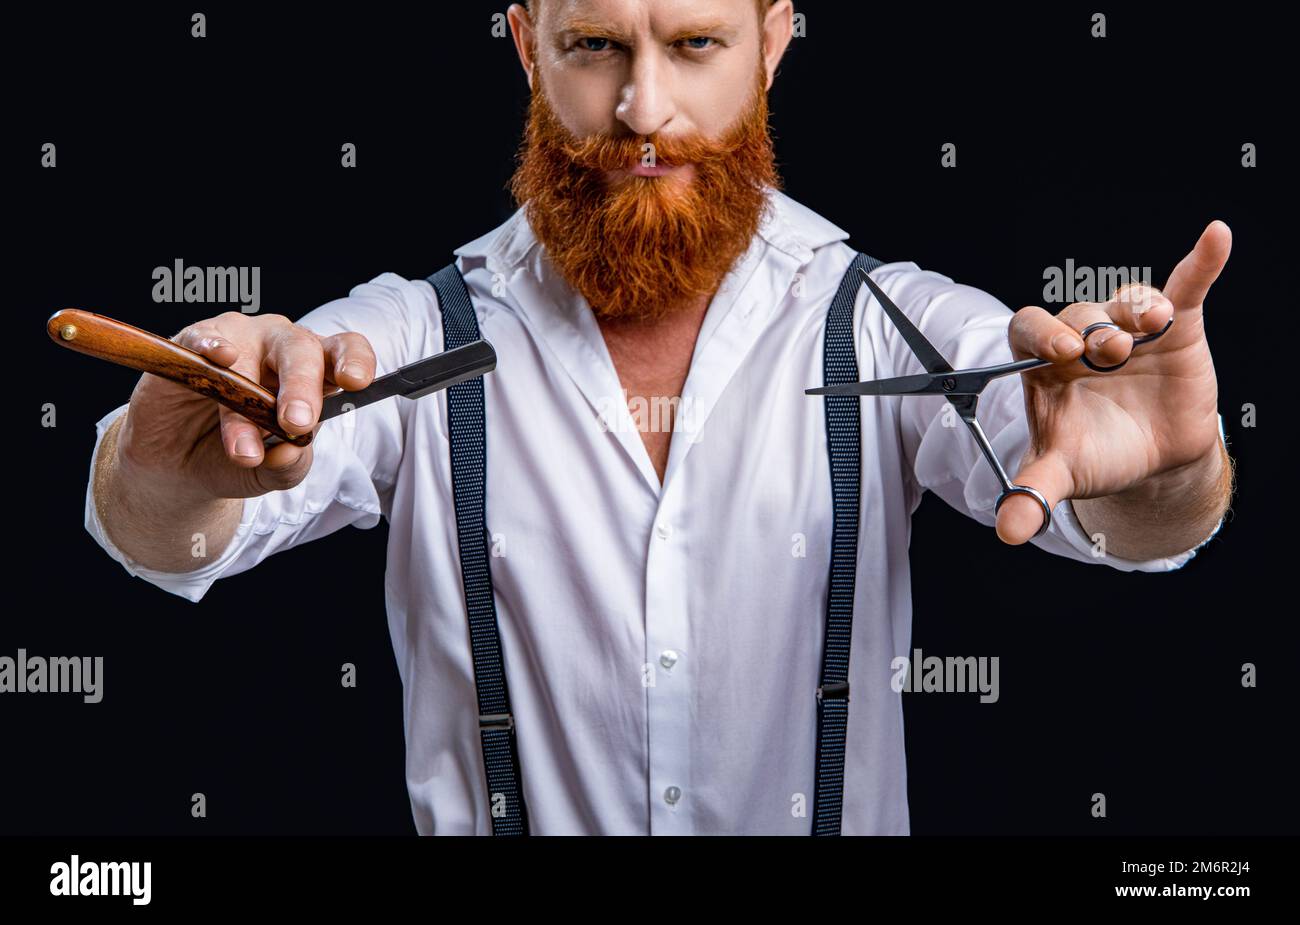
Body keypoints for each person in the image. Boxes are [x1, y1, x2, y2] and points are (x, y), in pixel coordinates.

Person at [83, 0, 1233, 834]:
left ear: (773, 45)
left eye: (694, 46)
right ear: (527, 42)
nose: (643, 109)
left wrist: (1163, 474)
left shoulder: (888, 324)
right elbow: (169, 536)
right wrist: (165, 462)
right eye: (594, 48)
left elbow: (1124, 517)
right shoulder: (410, 338)